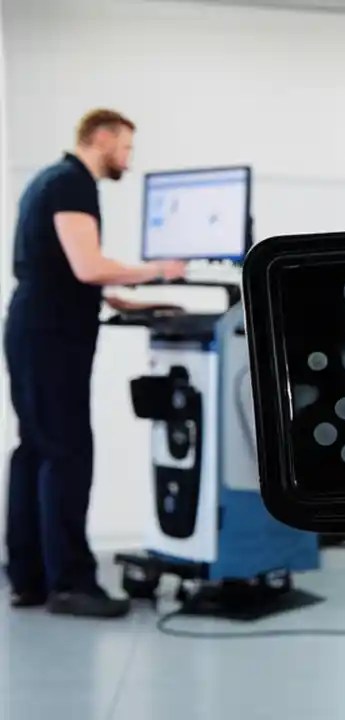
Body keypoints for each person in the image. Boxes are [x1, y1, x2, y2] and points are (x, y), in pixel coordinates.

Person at [5, 109, 186, 618]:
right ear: (102, 138)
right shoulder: (72, 183)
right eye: (126, 147)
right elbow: (88, 266)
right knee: (66, 453)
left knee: (35, 450)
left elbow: (72, 271)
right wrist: (159, 271)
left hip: (35, 326)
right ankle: (72, 584)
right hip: (50, 335)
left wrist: (132, 300)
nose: (128, 158)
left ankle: (30, 580)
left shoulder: (48, 181)